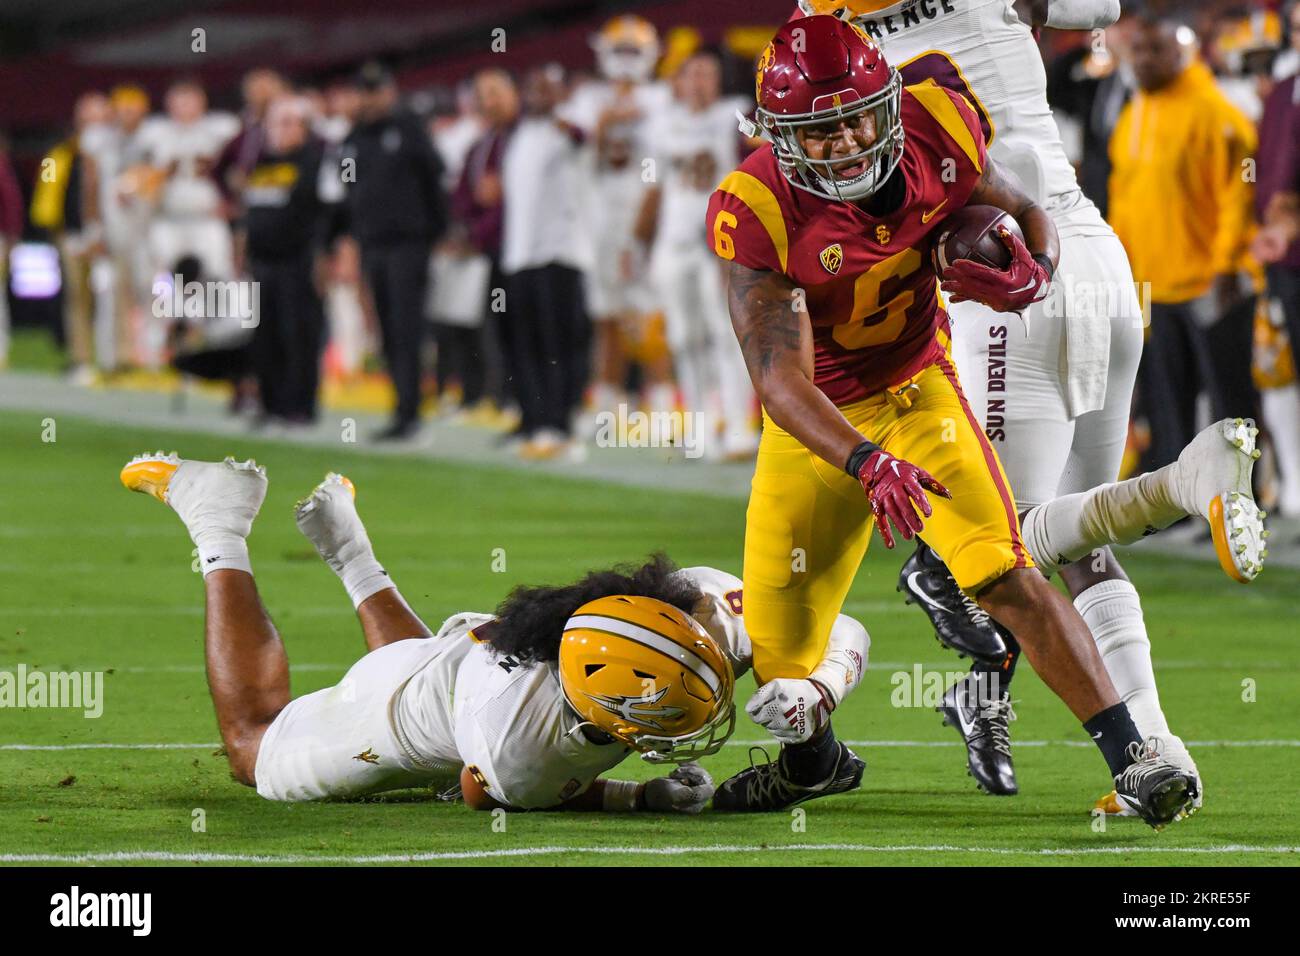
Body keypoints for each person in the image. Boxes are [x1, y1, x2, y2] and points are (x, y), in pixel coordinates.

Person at [705, 15, 1196, 827]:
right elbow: (780, 381)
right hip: (821, 422)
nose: (848, 141)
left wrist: (1034, 270)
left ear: (887, 101)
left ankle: (1135, 758)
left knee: (1002, 571)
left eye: (859, 115)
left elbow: (1019, 205)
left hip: (918, 390)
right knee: (781, 652)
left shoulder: (939, 125)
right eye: (820, 131)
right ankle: (813, 765)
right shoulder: (756, 206)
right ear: (782, 138)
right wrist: (866, 462)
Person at [118, 452, 869, 810]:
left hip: (473, 661)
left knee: (422, 673)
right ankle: (217, 518)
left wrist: (817, 685)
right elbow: (482, 792)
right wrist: (641, 799)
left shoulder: (697, 609)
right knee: (255, 750)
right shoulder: (522, 748)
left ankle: (350, 550)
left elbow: (847, 629)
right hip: (425, 716)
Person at [1109, 14, 1258, 471]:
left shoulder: (1215, 111)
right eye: (1138, 51)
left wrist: (1228, 264)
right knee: (1166, 399)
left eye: (1157, 51)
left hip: (1208, 281)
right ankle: (1174, 505)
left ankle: (1240, 496)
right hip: (1151, 285)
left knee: (1227, 399)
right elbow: (1124, 200)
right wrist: (1121, 270)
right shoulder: (1134, 113)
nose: (1144, 60)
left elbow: (1241, 192)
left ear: (1182, 54)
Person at [638, 48, 757, 461]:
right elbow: (651, 183)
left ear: (719, 80)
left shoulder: (735, 114)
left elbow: (755, 164)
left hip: (720, 243)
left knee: (725, 334)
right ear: (680, 81)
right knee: (684, 337)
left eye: (708, 74)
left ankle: (739, 427)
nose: (701, 82)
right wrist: (637, 242)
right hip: (674, 242)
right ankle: (700, 426)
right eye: (694, 74)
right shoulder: (662, 125)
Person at [340, 62, 449, 441]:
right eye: (364, 91)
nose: (370, 99)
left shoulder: (408, 128)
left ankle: (412, 412)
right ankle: (401, 407)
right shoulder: (354, 136)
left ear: (390, 92)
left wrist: (438, 232)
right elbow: (348, 189)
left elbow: (435, 178)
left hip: (408, 243)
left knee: (407, 327)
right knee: (386, 329)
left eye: (377, 91)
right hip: (373, 244)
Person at [500, 64, 591, 459]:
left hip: (560, 252)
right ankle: (535, 420)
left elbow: (582, 136)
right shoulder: (521, 134)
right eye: (533, 88)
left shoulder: (568, 126)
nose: (538, 95)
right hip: (520, 254)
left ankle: (559, 421)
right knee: (527, 343)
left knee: (559, 343)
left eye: (547, 89)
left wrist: (558, 113)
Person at [243, 95, 334, 425]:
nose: (281, 130)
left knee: (299, 335)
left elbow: (329, 215)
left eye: (290, 123)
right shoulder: (263, 164)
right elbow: (250, 213)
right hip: (262, 263)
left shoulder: (314, 163)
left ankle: (300, 407)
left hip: (299, 261)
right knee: (265, 335)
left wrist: (325, 257)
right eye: (277, 123)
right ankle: (271, 404)